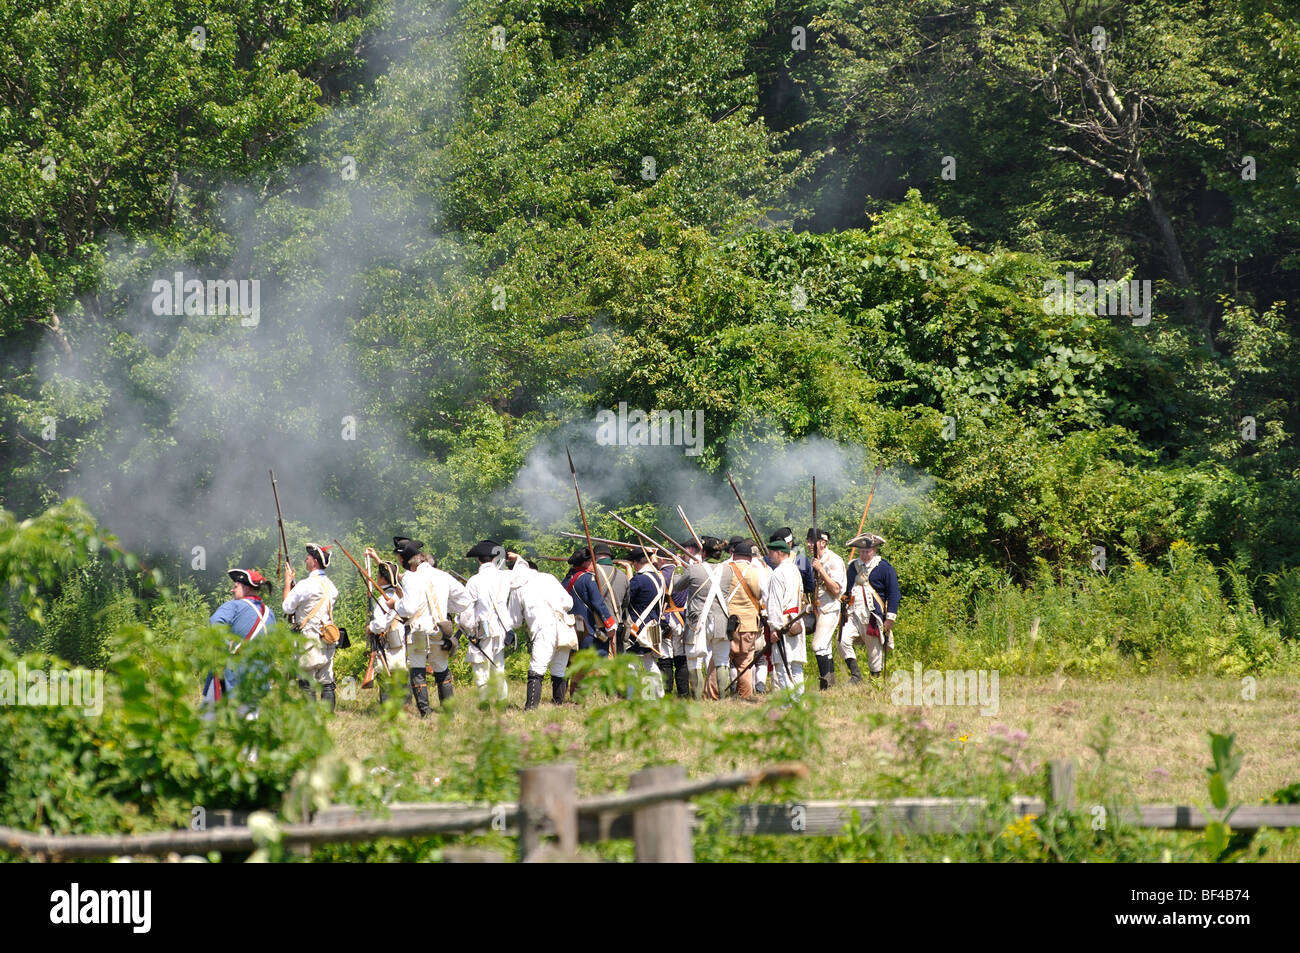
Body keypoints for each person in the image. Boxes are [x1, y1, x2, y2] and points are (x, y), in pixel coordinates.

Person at [380, 537, 470, 711]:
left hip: (418, 632)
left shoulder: (409, 578)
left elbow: (408, 608)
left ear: (405, 560)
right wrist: (444, 607)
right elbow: (464, 600)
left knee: (418, 671)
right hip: (439, 630)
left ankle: (425, 713)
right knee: (442, 670)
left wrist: (394, 604)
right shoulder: (443, 576)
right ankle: (448, 712)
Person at [505, 553, 579, 709]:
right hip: (564, 627)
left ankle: (531, 709)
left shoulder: (518, 586)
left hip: (543, 630)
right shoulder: (549, 578)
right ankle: (558, 705)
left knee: (536, 669)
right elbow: (569, 602)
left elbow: (514, 621)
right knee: (559, 668)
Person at [203, 568, 275, 712]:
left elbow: (215, 623)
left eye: (235, 587)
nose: (232, 590)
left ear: (246, 588)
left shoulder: (234, 605)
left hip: (234, 673)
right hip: (259, 675)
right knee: (250, 723)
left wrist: (226, 647)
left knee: (207, 721)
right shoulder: (270, 613)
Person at [283, 543, 340, 710]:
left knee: (306, 681)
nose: (305, 560)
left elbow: (287, 607)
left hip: (308, 639)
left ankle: (311, 718)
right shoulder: (332, 586)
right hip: (327, 638)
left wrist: (287, 583)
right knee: (326, 681)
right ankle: (328, 717)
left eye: (307, 558)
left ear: (314, 561)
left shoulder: (305, 585)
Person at [671, 535, 729, 699]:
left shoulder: (693, 570)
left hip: (698, 622)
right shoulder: (728, 570)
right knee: (722, 661)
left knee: (694, 660)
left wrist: (678, 568)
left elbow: (676, 586)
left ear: (703, 552)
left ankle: (696, 699)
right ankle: (722, 698)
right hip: (721, 621)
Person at [458, 539, 514, 702]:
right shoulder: (504, 576)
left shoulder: (474, 580)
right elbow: (523, 576)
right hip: (502, 630)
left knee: (481, 669)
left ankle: (484, 703)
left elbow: (467, 612)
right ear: (494, 558)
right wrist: (517, 560)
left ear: (478, 559)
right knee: (499, 668)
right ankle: (502, 702)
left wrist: (468, 630)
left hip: (482, 632)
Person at [841, 533, 900, 680]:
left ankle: (875, 681)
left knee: (874, 651)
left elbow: (894, 593)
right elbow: (847, 590)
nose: (864, 554)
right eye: (862, 551)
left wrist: (890, 618)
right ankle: (856, 676)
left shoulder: (884, 567)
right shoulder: (853, 567)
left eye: (867, 551)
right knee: (842, 641)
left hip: (872, 616)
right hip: (853, 614)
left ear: (874, 550)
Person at [716, 538, 764, 699]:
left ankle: (715, 694)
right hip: (749, 623)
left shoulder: (723, 569)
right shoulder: (753, 572)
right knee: (745, 662)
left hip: (726, 622)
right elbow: (759, 595)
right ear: (749, 558)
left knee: (721, 660)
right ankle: (745, 695)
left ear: (734, 555)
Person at [764, 533, 807, 696]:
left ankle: (789, 703)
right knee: (795, 666)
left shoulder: (778, 573)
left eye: (771, 552)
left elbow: (774, 603)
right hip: (795, 620)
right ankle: (799, 700)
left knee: (782, 666)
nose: (769, 556)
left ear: (779, 553)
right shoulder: (795, 570)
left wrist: (775, 628)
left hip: (784, 623)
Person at [624, 547, 669, 698]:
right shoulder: (659, 578)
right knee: (649, 662)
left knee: (632, 664)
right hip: (653, 626)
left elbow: (626, 600)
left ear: (636, 563)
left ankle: (631, 697)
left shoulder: (638, 580)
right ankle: (655, 695)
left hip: (638, 628)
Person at [807, 527, 846, 690]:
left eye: (812, 541)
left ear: (822, 543)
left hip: (830, 608)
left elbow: (836, 589)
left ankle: (825, 686)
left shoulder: (834, 560)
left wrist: (821, 570)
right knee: (826, 648)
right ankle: (830, 685)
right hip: (819, 608)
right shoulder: (815, 559)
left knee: (818, 646)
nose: (809, 544)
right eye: (808, 541)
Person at [363, 559, 406, 705]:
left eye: (378, 575)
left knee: (385, 674)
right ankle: (405, 707)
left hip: (388, 642)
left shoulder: (385, 598)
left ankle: (388, 709)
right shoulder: (399, 595)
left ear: (383, 578)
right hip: (398, 640)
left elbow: (382, 623)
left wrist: (371, 628)